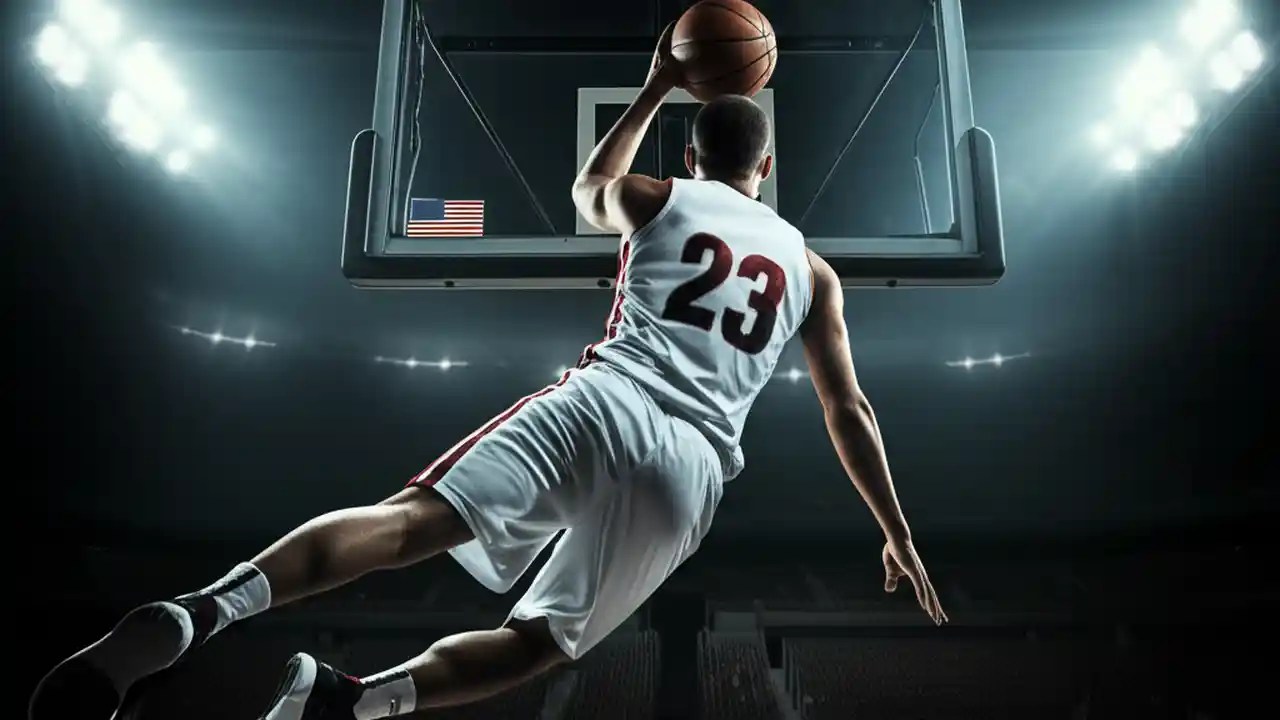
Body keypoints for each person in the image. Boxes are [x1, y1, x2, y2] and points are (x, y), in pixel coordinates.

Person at [29, 25, 945, 720]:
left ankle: (202, 611)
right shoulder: (814, 271)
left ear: (696, 157)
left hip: (610, 398)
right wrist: (897, 532)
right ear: (769, 166)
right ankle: (355, 702)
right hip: (696, 464)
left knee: (403, 527)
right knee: (538, 642)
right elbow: (848, 410)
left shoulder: (660, 194)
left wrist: (655, 84)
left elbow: (589, 191)